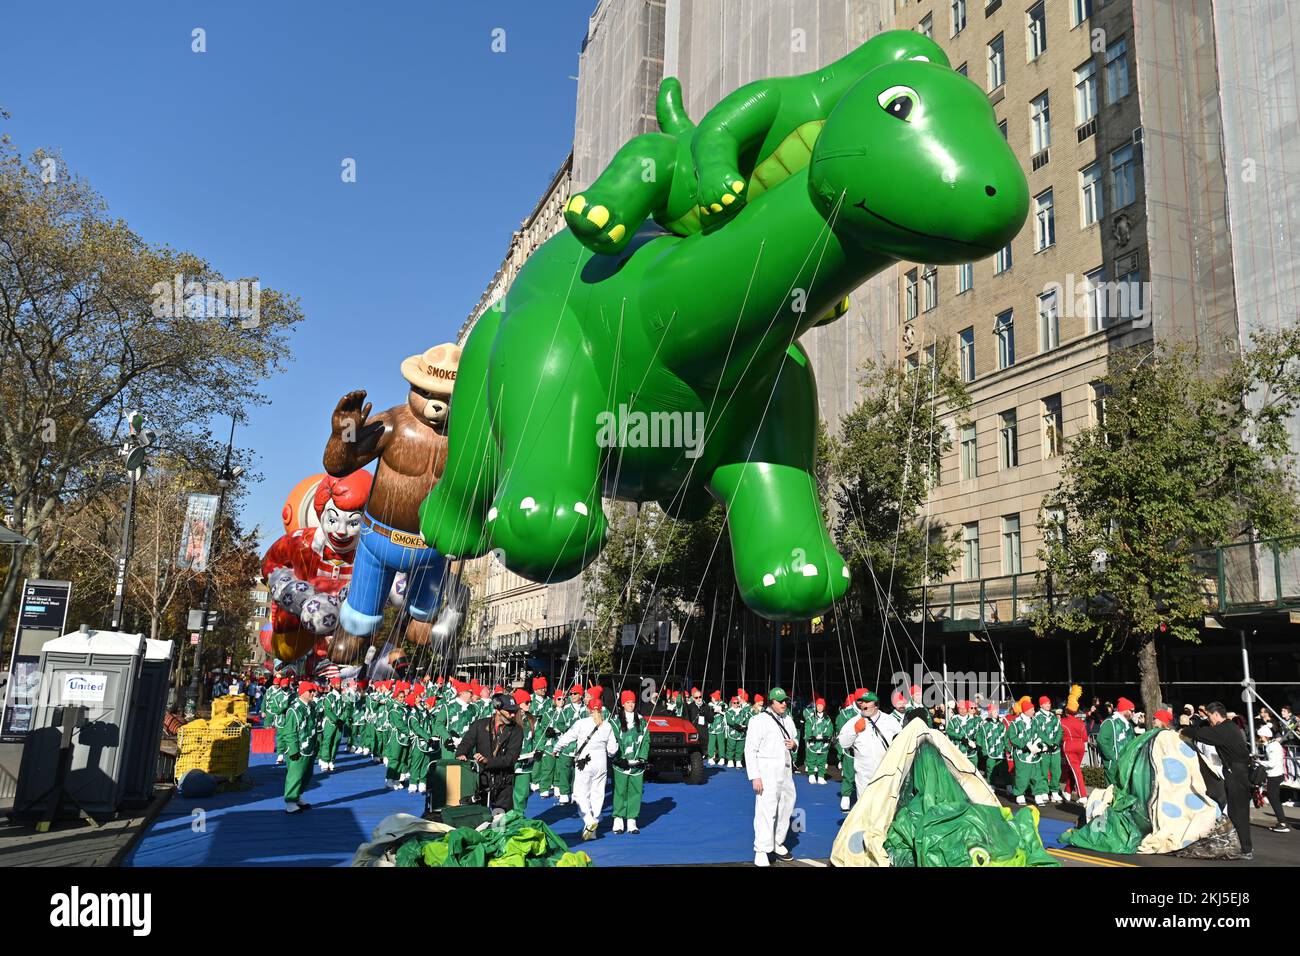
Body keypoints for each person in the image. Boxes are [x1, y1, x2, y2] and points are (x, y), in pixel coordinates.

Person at [1182, 702, 1254, 858]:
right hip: (1238, 772)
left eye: (1209, 716)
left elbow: (1200, 734)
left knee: (1238, 812)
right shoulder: (1230, 727)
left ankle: (1246, 849)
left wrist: (1185, 729)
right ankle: (1242, 845)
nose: (1209, 720)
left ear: (1215, 714)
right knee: (1235, 811)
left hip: (1236, 773)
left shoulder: (1223, 730)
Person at [745, 687, 799, 867]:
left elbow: (795, 737)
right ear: (771, 702)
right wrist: (755, 776)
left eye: (786, 700)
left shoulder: (788, 720)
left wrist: (795, 744)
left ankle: (777, 841)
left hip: (786, 770)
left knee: (786, 806)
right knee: (766, 810)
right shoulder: (758, 720)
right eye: (780, 701)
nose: (784, 703)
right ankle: (761, 849)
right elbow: (750, 750)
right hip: (767, 772)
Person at [554, 696, 618, 840]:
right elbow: (613, 750)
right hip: (601, 761)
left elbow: (567, 737)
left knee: (579, 793)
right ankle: (592, 831)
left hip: (585, 761)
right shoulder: (607, 725)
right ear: (601, 709)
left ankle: (589, 820)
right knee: (598, 794)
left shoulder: (581, 723)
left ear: (588, 709)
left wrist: (556, 748)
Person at [456, 692, 525, 814]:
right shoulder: (479, 725)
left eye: (514, 711)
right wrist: (461, 754)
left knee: (501, 822)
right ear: (498, 710)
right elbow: (466, 743)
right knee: (479, 819)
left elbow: (511, 758)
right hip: (480, 780)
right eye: (509, 711)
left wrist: (488, 761)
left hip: (504, 782)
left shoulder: (517, 730)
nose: (513, 714)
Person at [837, 691, 901, 800]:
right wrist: (854, 730)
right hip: (864, 775)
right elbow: (843, 743)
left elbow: (901, 741)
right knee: (865, 808)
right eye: (862, 702)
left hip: (886, 773)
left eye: (867, 702)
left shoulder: (890, 720)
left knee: (885, 805)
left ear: (876, 705)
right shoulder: (854, 721)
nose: (863, 705)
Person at [611, 690, 652, 833]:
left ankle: (632, 820)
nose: (631, 705)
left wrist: (642, 757)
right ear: (623, 704)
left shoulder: (641, 720)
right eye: (628, 702)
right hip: (621, 763)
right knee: (620, 790)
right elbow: (612, 741)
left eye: (633, 702)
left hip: (637, 764)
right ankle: (618, 819)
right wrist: (617, 758)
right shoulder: (615, 721)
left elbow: (646, 740)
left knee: (636, 791)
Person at [281, 681, 320, 813]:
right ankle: (290, 801)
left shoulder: (311, 706)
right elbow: (289, 732)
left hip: (309, 747)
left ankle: (297, 796)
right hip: (298, 749)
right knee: (295, 775)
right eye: (310, 691)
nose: (313, 693)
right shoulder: (294, 709)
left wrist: (316, 745)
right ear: (303, 692)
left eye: (314, 691)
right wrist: (293, 749)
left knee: (307, 775)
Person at [546, 685, 585, 803]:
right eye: (571, 694)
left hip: (581, 745)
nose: (572, 696)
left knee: (578, 770)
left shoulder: (585, 709)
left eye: (575, 694)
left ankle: (575, 792)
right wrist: (568, 729)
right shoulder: (566, 709)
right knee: (564, 769)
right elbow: (559, 724)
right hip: (567, 744)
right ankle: (564, 792)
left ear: (581, 695)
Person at [1007, 697, 1045, 806]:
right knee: (1022, 776)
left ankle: (1038, 795)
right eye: (1032, 709)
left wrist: (1042, 745)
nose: (1034, 711)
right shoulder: (1016, 723)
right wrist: (1025, 747)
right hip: (1022, 753)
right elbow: (1012, 737)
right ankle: (1019, 794)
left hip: (1035, 753)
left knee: (1037, 775)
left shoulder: (1035, 722)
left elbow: (1040, 734)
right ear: (1026, 711)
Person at [834, 690, 865, 811]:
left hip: (866, 751)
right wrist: (840, 754)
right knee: (849, 774)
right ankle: (846, 797)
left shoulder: (871, 712)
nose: (864, 703)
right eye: (861, 700)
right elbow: (840, 734)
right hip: (851, 750)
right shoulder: (846, 714)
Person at [1257, 726, 1290, 832]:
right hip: (1275, 775)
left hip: (1274, 775)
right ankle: (1282, 821)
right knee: (1274, 799)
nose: (1259, 738)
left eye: (1260, 736)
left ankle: (1282, 823)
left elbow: (1271, 763)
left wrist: (1259, 762)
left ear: (1265, 736)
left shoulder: (1272, 746)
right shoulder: (1272, 745)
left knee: (1274, 799)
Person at [1097, 697, 1135, 786]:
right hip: (1114, 765)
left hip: (1126, 764)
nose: (1133, 713)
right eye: (1131, 711)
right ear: (1124, 710)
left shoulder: (1128, 724)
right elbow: (1101, 740)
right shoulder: (1110, 722)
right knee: (1112, 792)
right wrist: (1112, 756)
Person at [1034, 695, 1064, 803]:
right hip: (1044, 749)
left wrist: (1055, 742)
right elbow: (1038, 732)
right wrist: (1049, 742)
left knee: (1056, 770)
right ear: (1041, 705)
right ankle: (1044, 791)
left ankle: (1055, 791)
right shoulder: (1036, 717)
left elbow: (1060, 731)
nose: (1048, 705)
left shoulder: (1053, 716)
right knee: (1043, 771)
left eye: (1049, 703)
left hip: (1055, 749)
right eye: (1046, 703)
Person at [1060, 696, 1089, 801]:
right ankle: (1067, 791)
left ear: (1066, 711)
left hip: (1069, 746)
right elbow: (1085, 738)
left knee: (1076, 771)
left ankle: (1083, 795)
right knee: (1073, 770)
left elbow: (1060, 735)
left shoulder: (1062, 721)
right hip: (1080, 746)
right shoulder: (1081, 723)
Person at [803, 697, 833, 784]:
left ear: (824, 707)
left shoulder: (827, 719)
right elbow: (808, 727)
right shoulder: (811, 718)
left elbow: (830, 728)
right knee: (811, 758)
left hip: (823, 743)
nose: (819, 707)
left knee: (822, 760)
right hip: (813, 743)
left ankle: (821, 776)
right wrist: (810, 736)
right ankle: (811, 774)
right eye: (818, 706)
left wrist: (827, 736)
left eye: (821, 706)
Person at [318, 677, 346, 772]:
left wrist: (342, 719)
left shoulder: (342, 696)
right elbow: (328, 710)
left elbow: (345, 709)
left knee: (336, 741)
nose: (339, 685)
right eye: (337, 684)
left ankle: (331, 760)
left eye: (340, 684)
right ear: (333, 685)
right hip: (330, 723)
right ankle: (325, 760)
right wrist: (336, 720)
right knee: (328, 741)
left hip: (340, 723)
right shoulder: (329, 696)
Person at [978, 702, 1008, 789]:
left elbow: (1005, 738)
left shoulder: (1001, 725)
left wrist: (1008, 748)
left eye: (997, 712)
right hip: (990, 750)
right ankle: (990, 784)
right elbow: (980, 737)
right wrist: (983, 749)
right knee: (990, 768)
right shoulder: (985, 725)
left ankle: (1009, 785)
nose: (997, 713)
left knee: (1004, 768)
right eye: (995, 712)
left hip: (1001, 750)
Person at [945, 699, 978, 764]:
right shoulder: (954, 720)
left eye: (964, 708)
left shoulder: (973, 720)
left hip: (971, 751)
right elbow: (949, 731)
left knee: (974, 768)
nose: (962, 710)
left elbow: (978, 732)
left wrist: (977, 743)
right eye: (960, 709)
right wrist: (961, 737)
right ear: (958, 709)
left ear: (967, 709)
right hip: (958, 750)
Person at [724, 695, 747, 768]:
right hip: (732, 732)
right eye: (734, 703)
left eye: (737, 703)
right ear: (731, 703)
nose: (736, 704)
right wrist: (737, 726)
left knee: (740, 747)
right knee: (731, 746)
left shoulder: (743, 711)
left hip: (741, 733)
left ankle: (738, 760)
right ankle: (730, 760)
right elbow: (729, 721)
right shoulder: (728, 711)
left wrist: (745, 726)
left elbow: (746, 719)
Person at [706, 690, 727, 766]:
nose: (711, 698)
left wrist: (719, 709)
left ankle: (722, 758)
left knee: (721, 743)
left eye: (712, 697)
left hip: (720, 727)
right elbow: (710, 711)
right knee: (711, 743)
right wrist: (717, 709)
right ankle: (711, 757)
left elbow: (725, 711)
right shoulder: (709, 704)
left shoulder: (723, 704)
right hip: (711, 727)